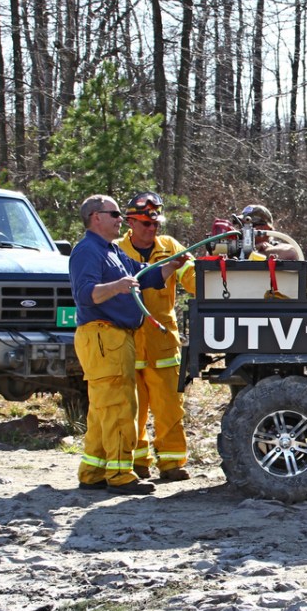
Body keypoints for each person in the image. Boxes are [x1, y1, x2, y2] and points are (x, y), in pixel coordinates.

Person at [69, 194, 184, 495]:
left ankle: (93, 472)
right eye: (115, 214)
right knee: (120, 406)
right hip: (103, 336)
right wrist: (117, 287)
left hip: (115, 337)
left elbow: (144, 276)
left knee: (103, 408)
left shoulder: (111, 251)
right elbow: (85, 294)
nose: (121, 219)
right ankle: (120, 475)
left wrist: (172, 266)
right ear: (96, 217)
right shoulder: (87, 250)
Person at [116, 191, 197, 483]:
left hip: (163, 342)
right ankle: (137, 462)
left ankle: (172, 463)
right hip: (128, 340)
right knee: (131, 409)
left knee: (170, 407)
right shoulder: (116, 250)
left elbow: (194, 280)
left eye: (156, 224)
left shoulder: (170, 248)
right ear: (131, 222)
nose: (152, 229)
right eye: (146, 224)